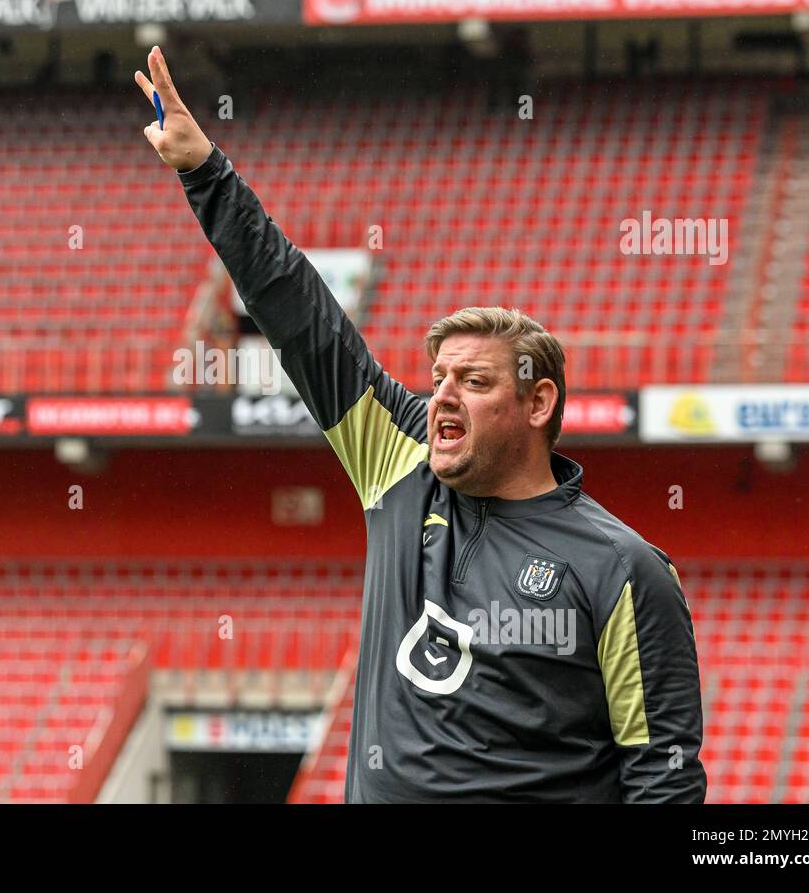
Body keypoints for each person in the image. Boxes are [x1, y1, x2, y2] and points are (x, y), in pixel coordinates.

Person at [135, 47, 707, 802]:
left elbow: (662, 778)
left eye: (473, 383)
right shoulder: (395, 459)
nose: (441, 398)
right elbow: (303, 319)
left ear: (538, 406)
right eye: (438, 378)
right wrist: (205, 171)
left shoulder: (623, 571)